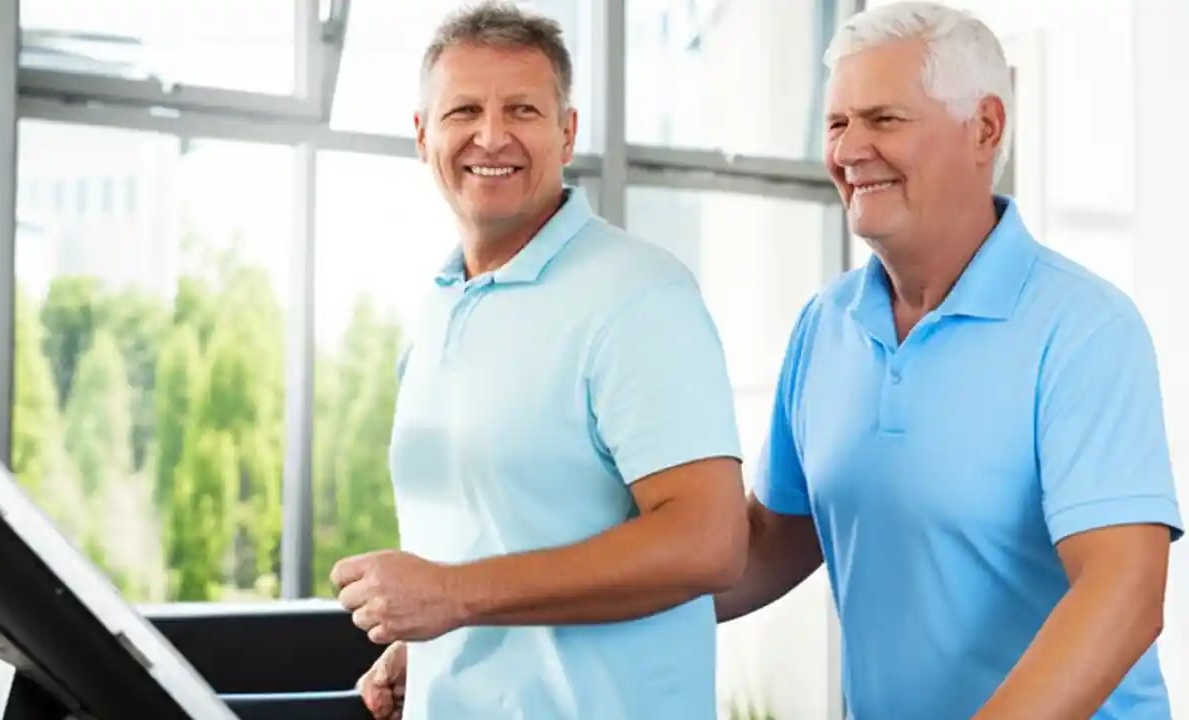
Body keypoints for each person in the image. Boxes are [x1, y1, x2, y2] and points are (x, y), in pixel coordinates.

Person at [715, 3, 1183, 719]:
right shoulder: (824, 326)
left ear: (984, 128)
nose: (848, 149)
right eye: (838, 123)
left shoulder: (1083, 328)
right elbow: (773, 539)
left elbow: (1122, 593)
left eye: (884, 119)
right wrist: (563, 592)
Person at [330, 2, 749, 719]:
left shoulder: (639, 294)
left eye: (522, 109)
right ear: (422, 133)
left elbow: (708, 543)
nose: (491, 136)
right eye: (464, 110)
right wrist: (435, 647)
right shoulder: (441, 304)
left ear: (567, 131)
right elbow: (492, 533)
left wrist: (455, 597)